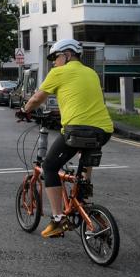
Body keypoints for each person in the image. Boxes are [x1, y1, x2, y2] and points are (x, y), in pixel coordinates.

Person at [19, 38, 113, 238]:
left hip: (77, 130)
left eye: (56, 57)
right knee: (85, 152)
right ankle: (84, 188)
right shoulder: (92, 73)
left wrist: (24, 110)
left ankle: (58, 219)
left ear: (67, 55)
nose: (53, 62)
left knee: (50, 167)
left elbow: (37, 98)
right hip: (104, 130)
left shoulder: (58, 73)